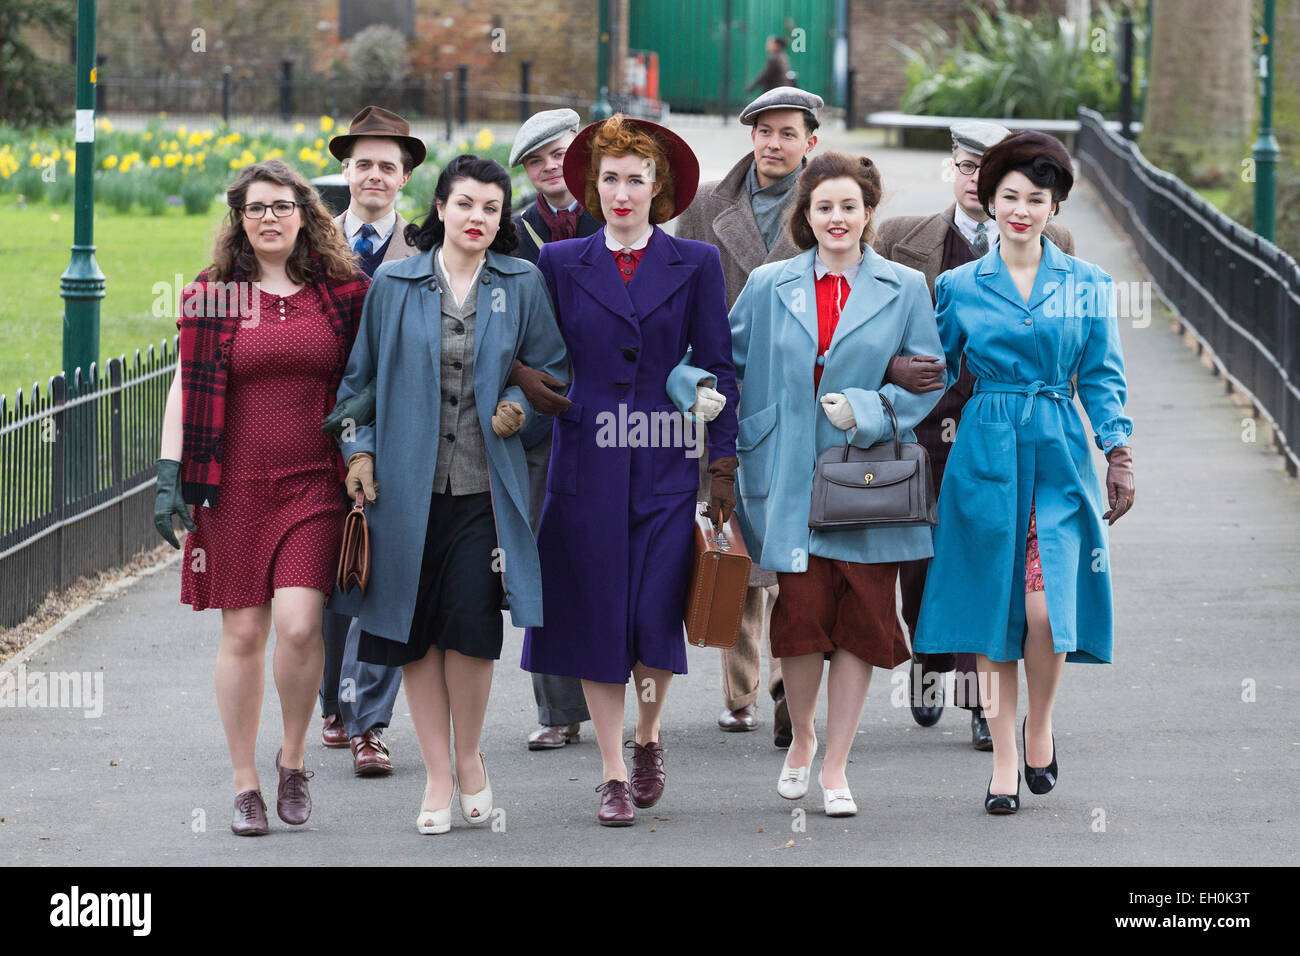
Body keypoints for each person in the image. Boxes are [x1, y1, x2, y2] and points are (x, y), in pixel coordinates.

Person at [333, 154, 568, 835]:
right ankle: (437, 775)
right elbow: (359, 386)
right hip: (402, 493)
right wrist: (359, 451)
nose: (478, 219)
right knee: (413, 634)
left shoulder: (520, 283)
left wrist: (522, 410)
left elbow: (553, 373)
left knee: (470, 627)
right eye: (466, 204)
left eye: (492, 209)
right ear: (439, 208)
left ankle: (470, 757)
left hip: (484, 490)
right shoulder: (396, 284)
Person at [521, 115, 740, 827]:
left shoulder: (697, 263)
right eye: (609, 178)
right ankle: (614, 770)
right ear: (593, 186)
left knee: (651, 616)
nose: (621, 192)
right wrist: (529, 382)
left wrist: (722, 464)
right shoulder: (559, 264)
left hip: (664, 463)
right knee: (595, 617)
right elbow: (536, 354)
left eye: (635, 179)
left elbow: (718, 366)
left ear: (659, 188)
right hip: (584, 463)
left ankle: (648, 739)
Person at [911, 131, 1135, 814]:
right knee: (992, 609)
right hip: (983, 452)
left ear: (1053, 206)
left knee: (1045, 610)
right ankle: (1004, 758)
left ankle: (1040, 724)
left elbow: (1101, 376)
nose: (1020, 209)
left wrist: (1118, 451)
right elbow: (935, 371)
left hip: (1059, 449)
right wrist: (877, 402)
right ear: (989, 199)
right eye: (1008, 196)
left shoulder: (1088, 284)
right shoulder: (957, 285)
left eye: (1035, 199)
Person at [153, 159, 370, 835]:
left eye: (281, 206)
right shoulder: (213, 294)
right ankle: (246, 782)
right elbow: (186, 383)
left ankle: (294, 758)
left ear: (304, 214)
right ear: (239, 220)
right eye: (255, 208)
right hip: (233, 485)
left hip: (315, 482)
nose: (268, 218)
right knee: (244, 631)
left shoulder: (342, 292)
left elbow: (367, 379)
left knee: (302, 624)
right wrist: (169, 474)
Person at [727, 152, 944, 817]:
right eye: (824, 206)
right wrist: (697, 400)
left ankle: (838, 765)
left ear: (868, 212)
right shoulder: (768, 284)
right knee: (799, 619)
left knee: (860, 621)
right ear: (806, 215)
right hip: (788, 471)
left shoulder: (906, 286)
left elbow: (930, 373)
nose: (837, 218)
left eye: (850, 205)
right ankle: (803, 739)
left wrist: (874, 407)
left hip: (866, 475)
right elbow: (724, 358)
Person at [873, 120, 1076, 750]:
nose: (975, 179)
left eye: (984, 166)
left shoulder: (1059, 244)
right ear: (959, 173)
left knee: (996, 566)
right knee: (920, 562)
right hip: (927, 425)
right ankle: (931, 662)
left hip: (1008, 430)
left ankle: (983, 701)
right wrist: (886, 382)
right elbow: (889, 326)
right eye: (966, 166)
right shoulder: (903, 236)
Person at [674, 85, 822, 743]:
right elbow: (679, 294)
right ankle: (740, 693)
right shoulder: (708, 206)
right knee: (730, 538)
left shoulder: (828, 203)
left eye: (788, 132)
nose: (774, 143)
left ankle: (793, 688)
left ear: (809, 143)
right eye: (764, 131)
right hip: (726, 392)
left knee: (797, 553)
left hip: (802, 401)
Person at [314, 105, 426, 777]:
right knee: (332, 577)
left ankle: (369, 725)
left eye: (388, 165)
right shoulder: (312, 242)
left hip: (393, 436)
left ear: (405, 176)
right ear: (346, 170)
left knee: (384, 577)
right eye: (363, 164)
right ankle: (335, 700)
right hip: (313, 429)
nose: (374, 175)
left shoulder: (424, 249)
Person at [506, 108, 600, 751]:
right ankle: (557, 709)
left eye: (558, 154)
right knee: (543, 557)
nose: (548, 167)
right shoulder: (513, 233)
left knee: (611, 557)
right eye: (535, 160)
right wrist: (518, 372)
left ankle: (619, 699)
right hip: (542, 415)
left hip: (619, 411)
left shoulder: (618, 210)